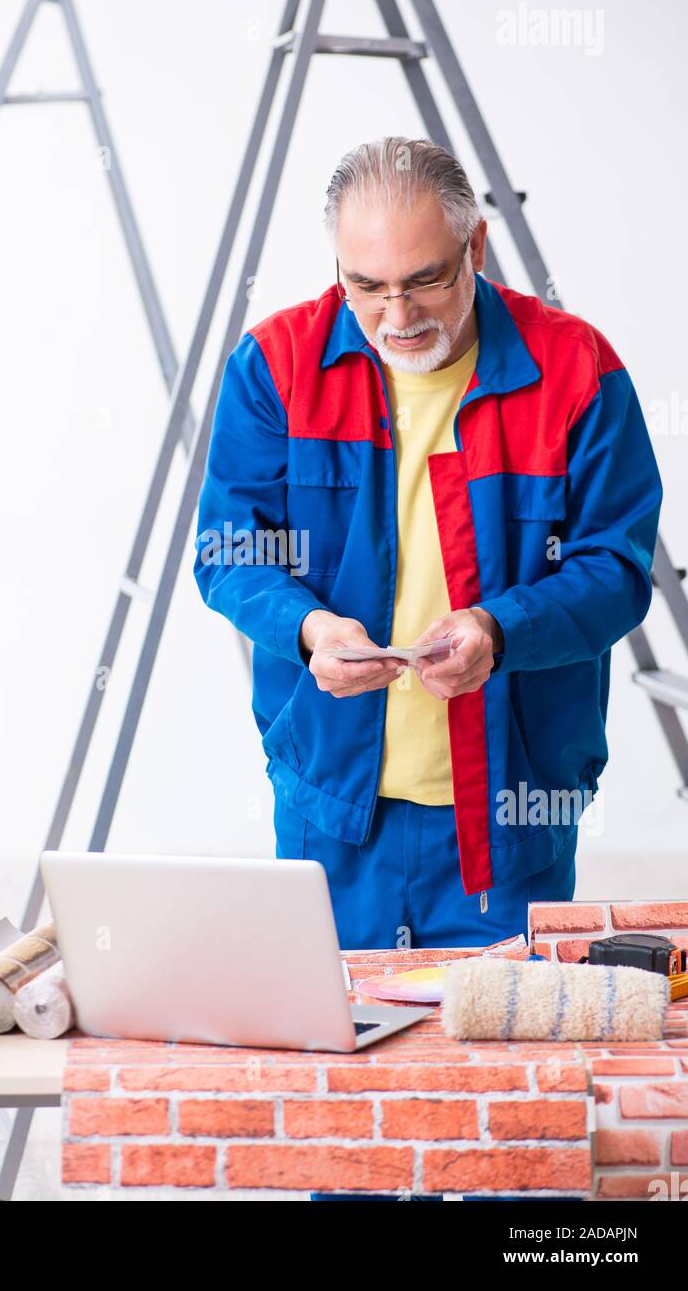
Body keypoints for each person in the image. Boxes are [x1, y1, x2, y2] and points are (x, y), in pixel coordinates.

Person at [192, 136, 662, 1200]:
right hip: (332, 815)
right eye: (366, 286)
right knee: (349, 1135)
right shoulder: (274, 368)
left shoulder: (577, 371)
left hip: (512, 816)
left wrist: (500, 628)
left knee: (508, 1135)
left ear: (477, 245)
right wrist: (310, 628)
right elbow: (227, 547)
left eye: (425, 280)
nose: (397, 314)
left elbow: (616, 569)